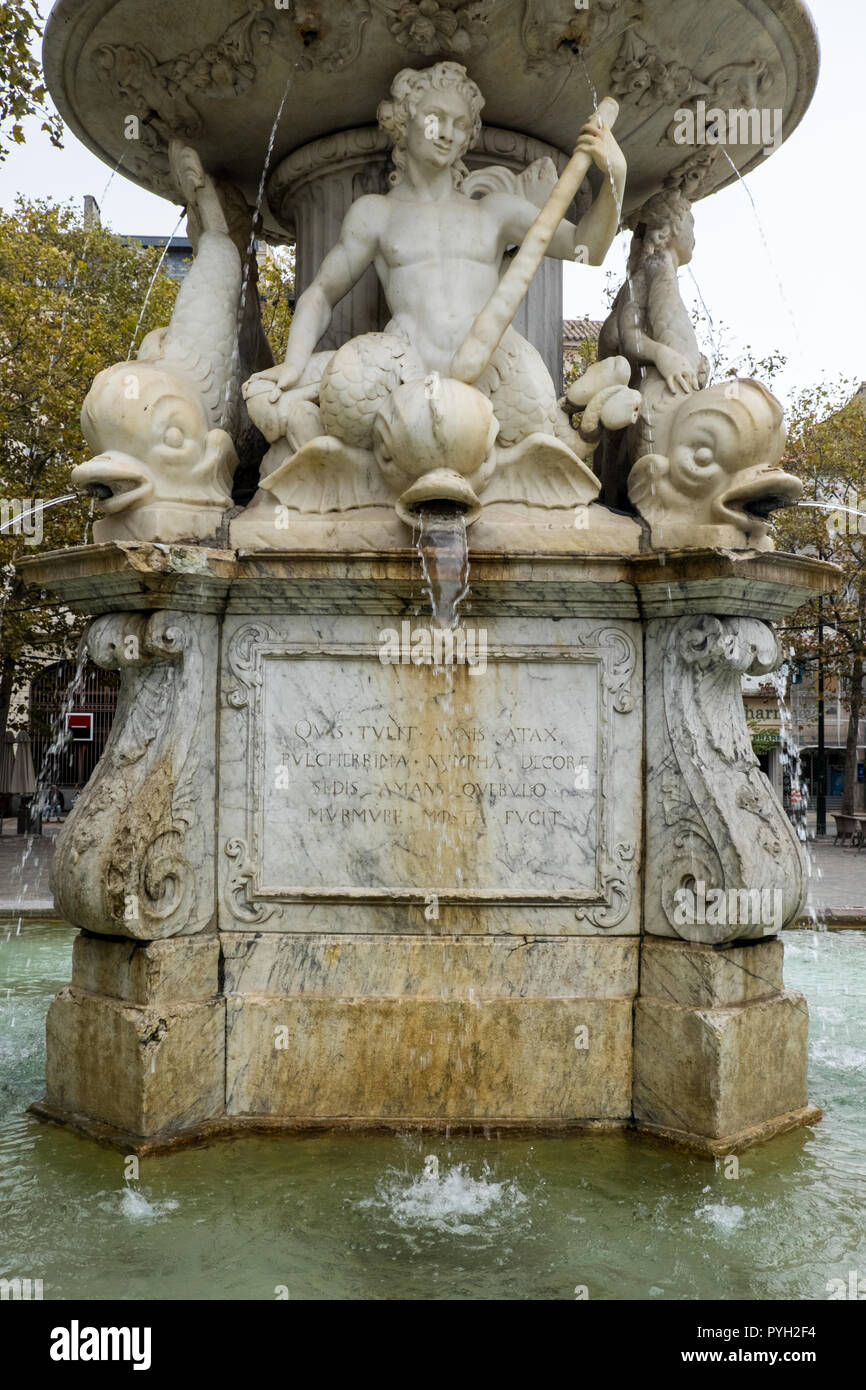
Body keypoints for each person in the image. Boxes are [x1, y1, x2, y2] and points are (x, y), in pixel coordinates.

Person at [245, 61, 627, 455]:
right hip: (403, 372)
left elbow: (587, 248)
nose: (447, 132)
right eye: (435, 117)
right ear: (403, 121)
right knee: (346, 379)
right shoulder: (377, 214)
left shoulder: (494, 212)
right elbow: (322, 294)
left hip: (489, 370)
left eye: (460, 124)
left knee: (534, 408)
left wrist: (616, 177)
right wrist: (293, 363)